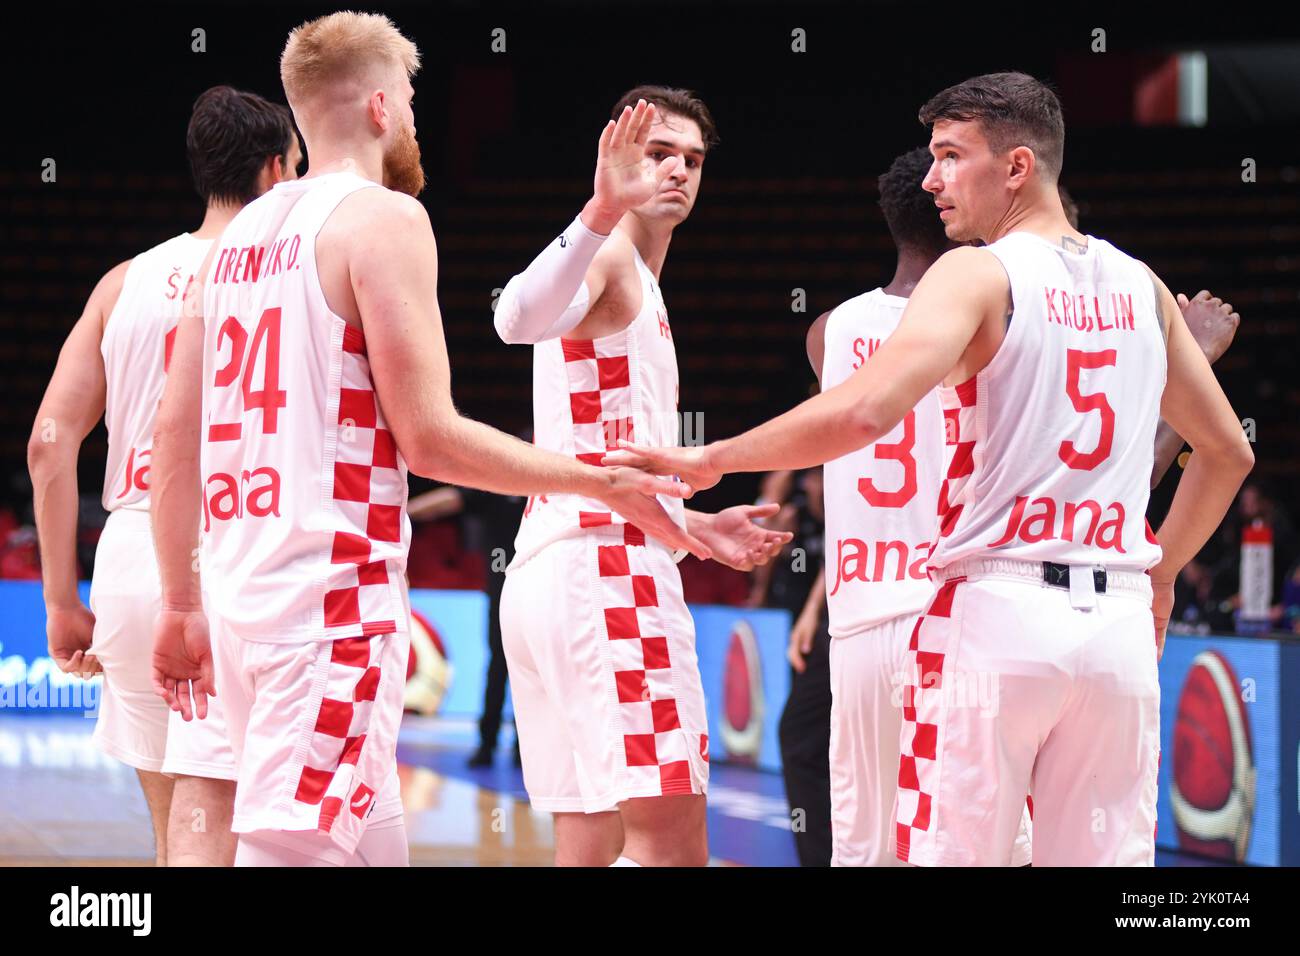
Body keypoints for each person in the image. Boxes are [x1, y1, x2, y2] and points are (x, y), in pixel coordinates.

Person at [607, 72, 1254, 866]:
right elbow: (1228, 452)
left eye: (951, 156)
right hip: (1115, 625)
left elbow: (862, 412)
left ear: (1015, 167)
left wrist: (710, 456)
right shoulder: (1143, 285)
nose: (935, 178)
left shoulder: (977, 272)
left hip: (998, 608)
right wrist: (1162, 573)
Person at [149, 12, 710, 868]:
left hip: (237, 595)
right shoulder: (383, 217)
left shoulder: (232, 243)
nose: (415, 114)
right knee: (294, 854)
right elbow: (432, 438)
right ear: (380, 106)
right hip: (329, 598)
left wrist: (181, 604)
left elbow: (174, 436)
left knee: (368, 849)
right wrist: (600, 482)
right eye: (409, 97)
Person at [492, 90, 792, 866]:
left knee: (591, 844)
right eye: (659, 152)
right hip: (605, 578)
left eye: (692, 160)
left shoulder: (639, 282)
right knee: (671, 844)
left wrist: (694, 529)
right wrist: (598, 209)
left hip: (554, 572)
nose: (678, 171)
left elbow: (605, 464)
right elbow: (513, 321)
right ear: (616, 155)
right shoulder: (609, 255)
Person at [27, 85, 302, 867]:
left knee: (176, 834)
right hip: (227, 554)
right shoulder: (282, 280)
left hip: (127, 556)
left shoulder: (123, 282)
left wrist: (59, 601)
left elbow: (49, 445)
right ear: (278, 171)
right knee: (220, 829)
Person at [406, 482, 523, 766]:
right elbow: (450, 499)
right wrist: (402, 510)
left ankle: (522, 749)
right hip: (502, 588)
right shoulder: (495, 484)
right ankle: (488, 744)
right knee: (500, 665)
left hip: (538, 588)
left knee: (529, 668)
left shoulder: (547, 492)